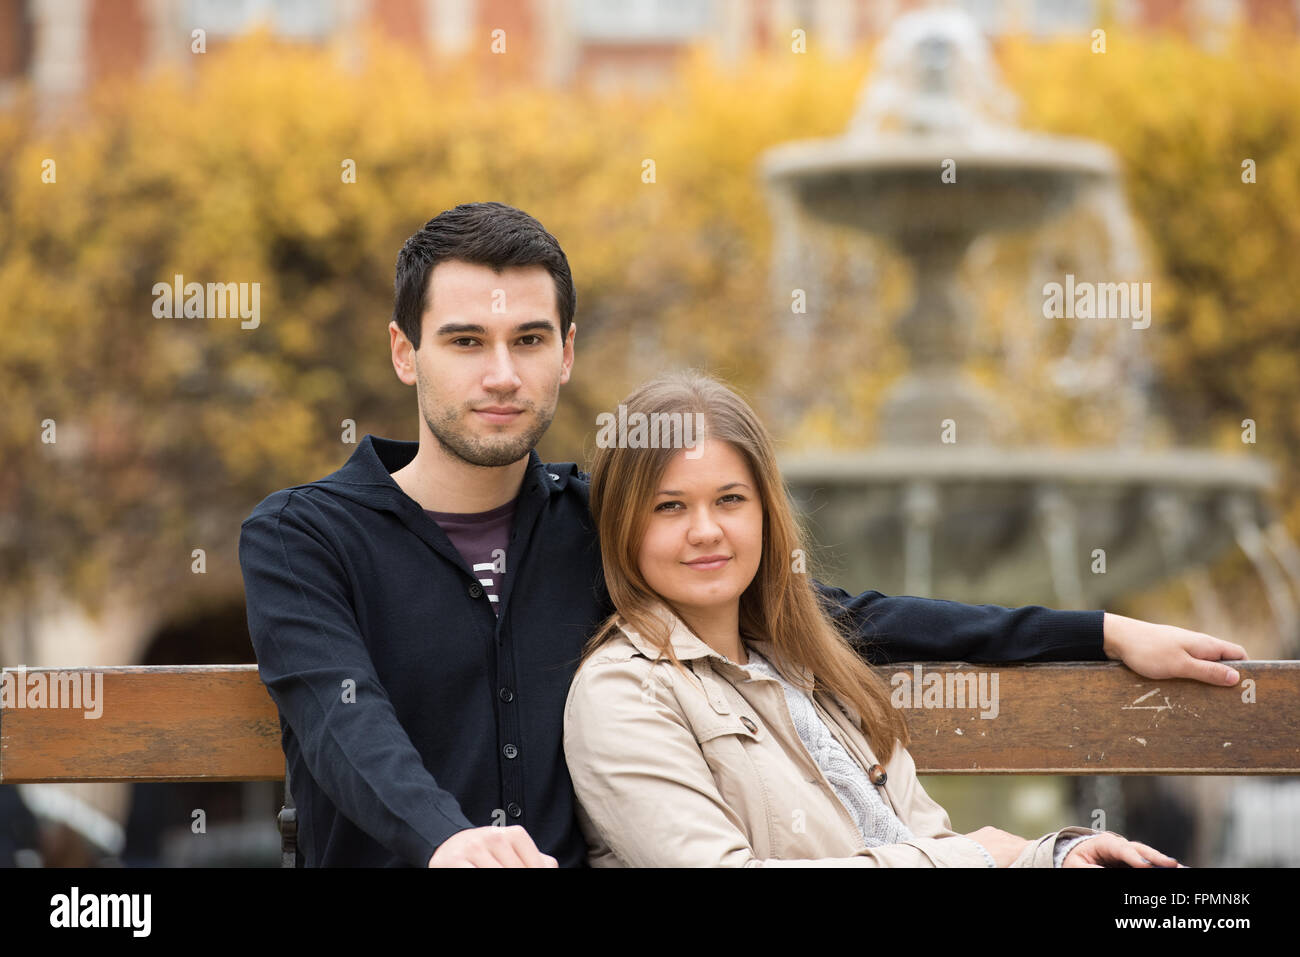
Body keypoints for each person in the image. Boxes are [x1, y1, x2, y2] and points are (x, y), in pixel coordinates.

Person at [238, 202, 1245, 868]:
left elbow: (825, 615)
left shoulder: (596, 522)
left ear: (566, 353)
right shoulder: (303, 539)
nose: (500, 373)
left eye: (527, 340)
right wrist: (448, 843)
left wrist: (1101, 631)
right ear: (405, 353)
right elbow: (341, 720)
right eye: (465, 342)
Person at [564, 371, 1183, 867]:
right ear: (624, 526)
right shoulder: (626, 691)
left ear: (765, 515)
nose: (706, 531)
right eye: (670, 507)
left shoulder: (818, 668)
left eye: (729, 499)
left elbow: (924, 843)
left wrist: (1050, 856)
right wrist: (974, 857)